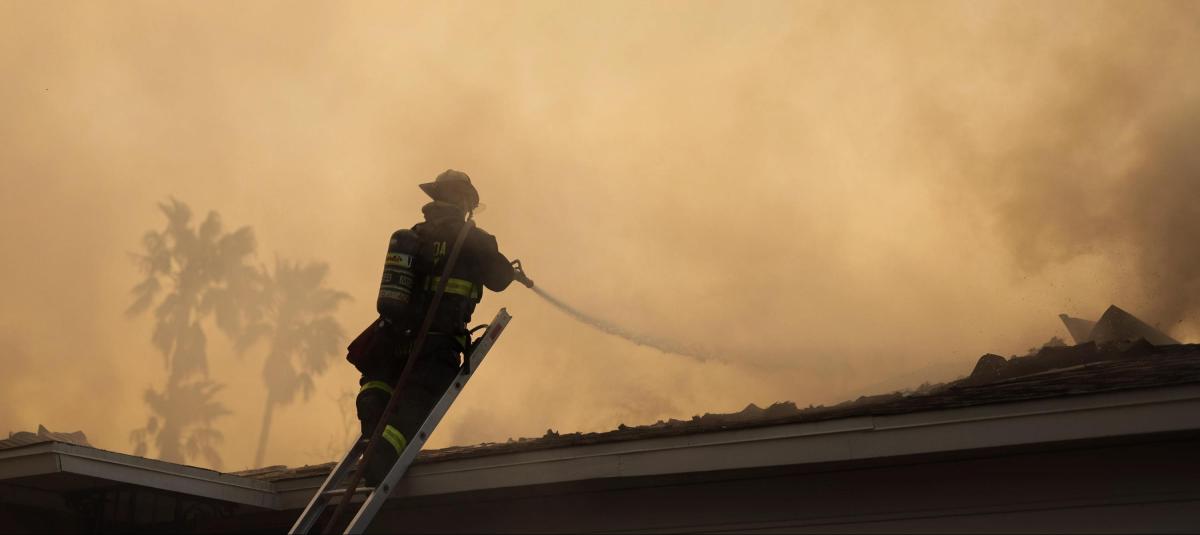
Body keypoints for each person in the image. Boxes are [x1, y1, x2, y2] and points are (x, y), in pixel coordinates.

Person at [349, 169, 531, 485]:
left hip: (396, 338)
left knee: (380, 383)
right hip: (437, 342)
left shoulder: (413, 236)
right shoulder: (474, 239)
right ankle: (379, 464)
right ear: (463, 200)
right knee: (416, 403)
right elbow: (499, 280)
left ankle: (373, 412)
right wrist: (512, 273)